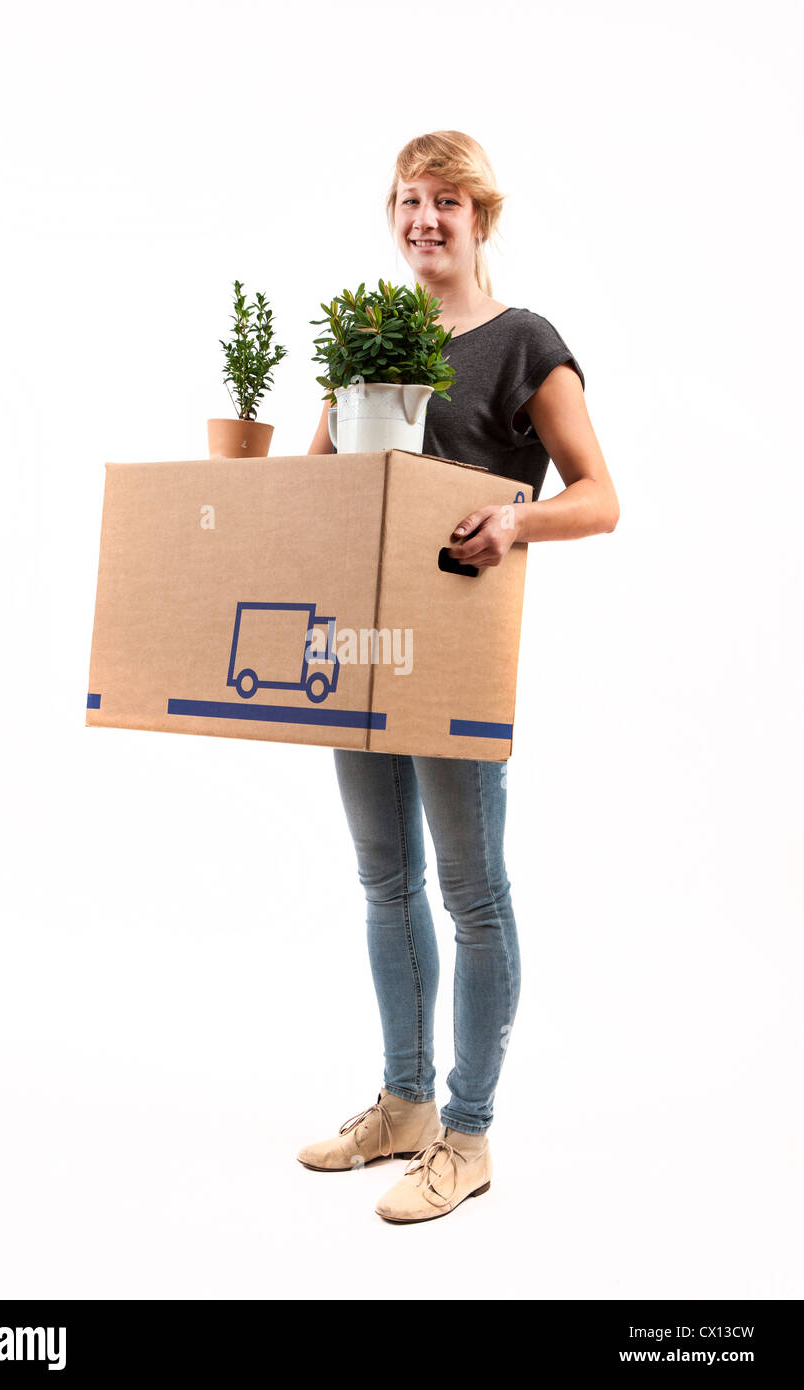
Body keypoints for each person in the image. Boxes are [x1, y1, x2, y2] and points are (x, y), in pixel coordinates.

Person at [301, 130, 620, 1225]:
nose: (422, 218)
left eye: (443, 200)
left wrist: (514, 519)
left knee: (469, 892)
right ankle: (401, 1103)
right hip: (356, 648)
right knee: (383, 882)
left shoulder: (523, 340)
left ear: (481, 216)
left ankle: (467, 1133)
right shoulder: (365, 342)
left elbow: (598, 495)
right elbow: (317, 486)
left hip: (453, 650)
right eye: (405, 200)